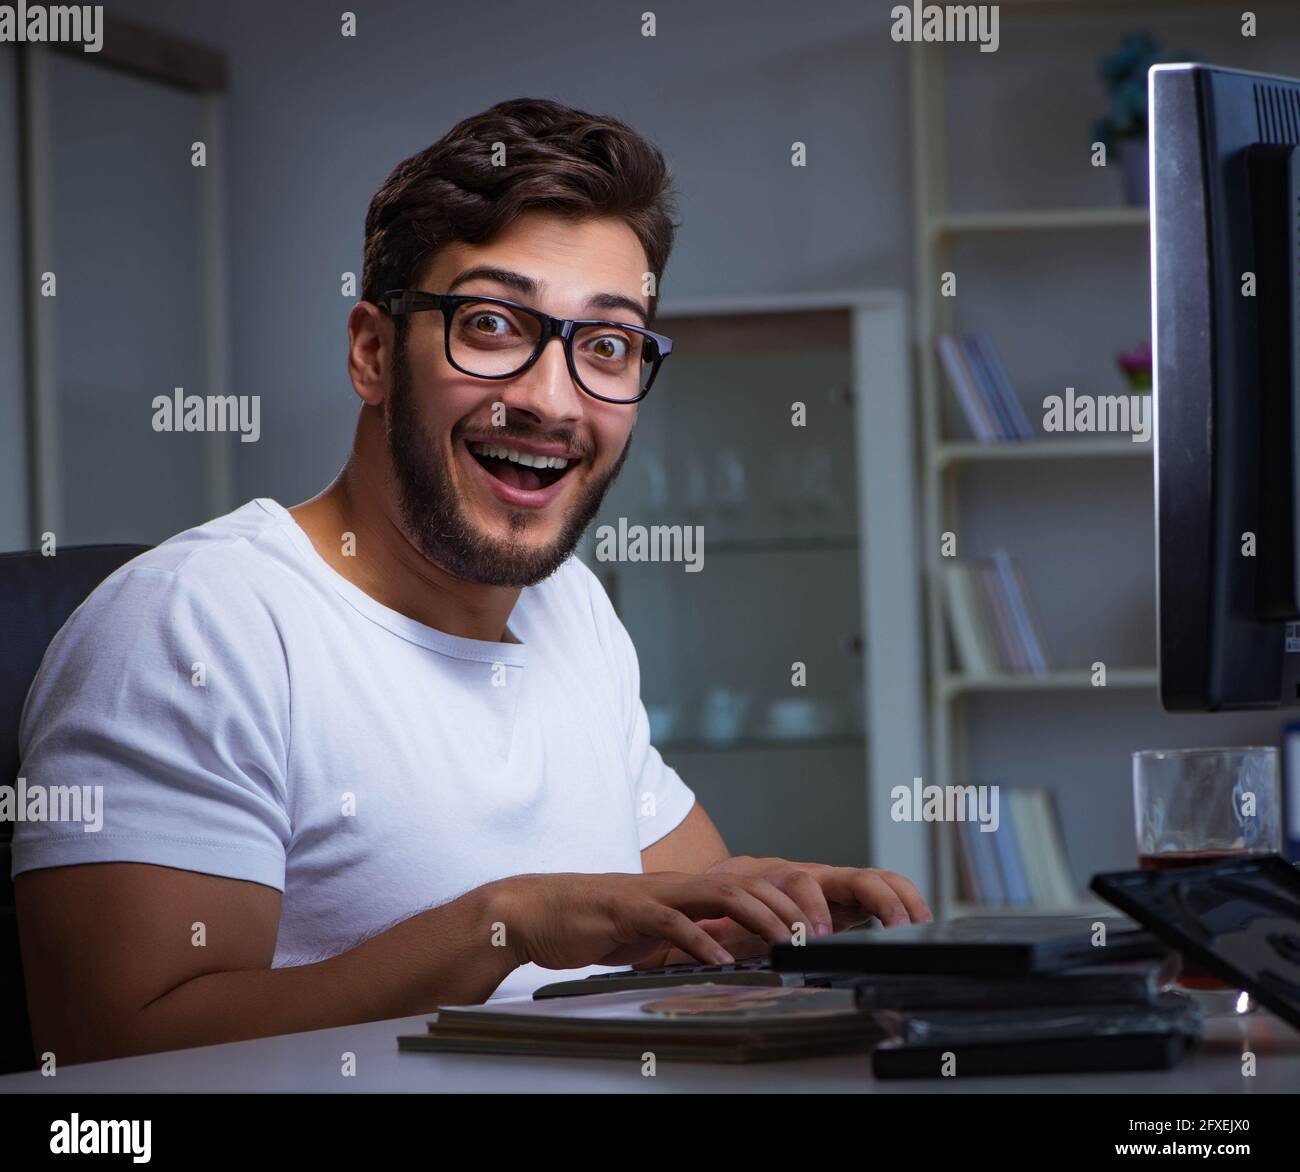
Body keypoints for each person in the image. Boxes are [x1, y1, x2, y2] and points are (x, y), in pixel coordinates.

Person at [13, 97, 930, 1065]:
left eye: (607, 344)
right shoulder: (201, 624)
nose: (550, 397)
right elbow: (111, 1062)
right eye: (491, 325)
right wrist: (498, 926)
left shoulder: (569, 607)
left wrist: (794, 912)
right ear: (373, 352)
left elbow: (686, 903)